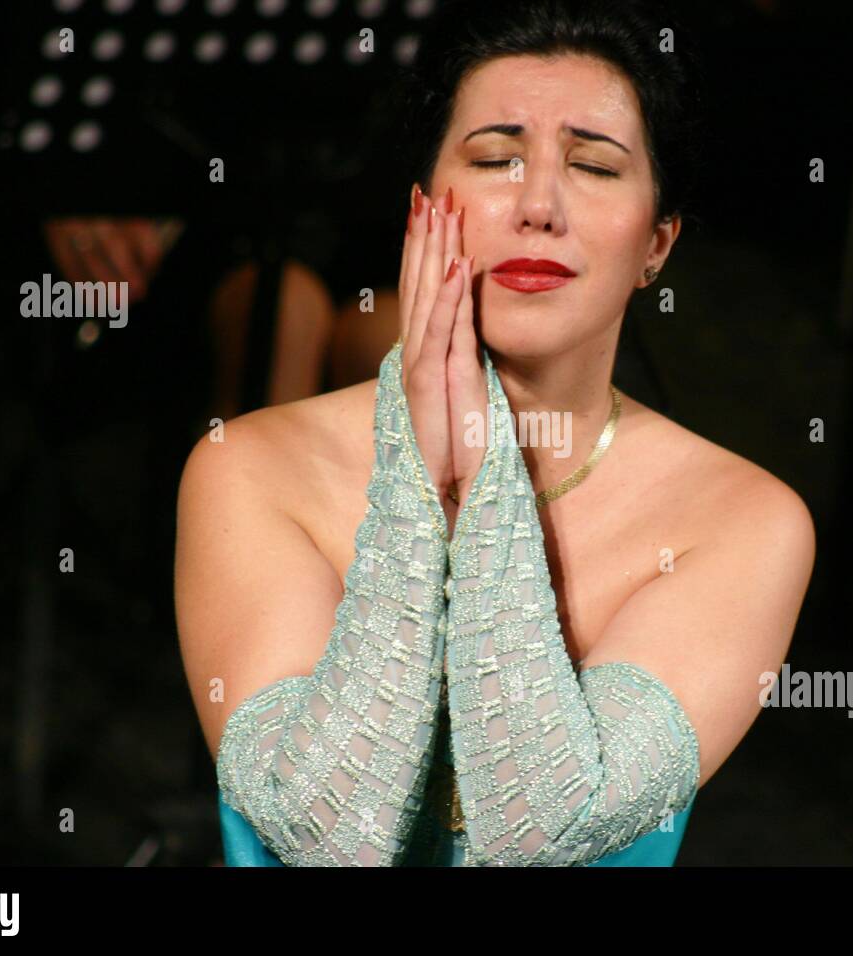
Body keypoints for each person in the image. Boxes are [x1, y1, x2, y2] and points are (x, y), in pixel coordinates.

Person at [175, 0, 815, 866]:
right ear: (422, 208)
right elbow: (325, 840)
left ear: (657, 242)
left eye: (592, 166)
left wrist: (482, 477)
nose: (539, 205)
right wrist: (417, 479)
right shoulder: (247, 468)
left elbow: (543, 833)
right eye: (495, 158)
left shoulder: (744, 521)